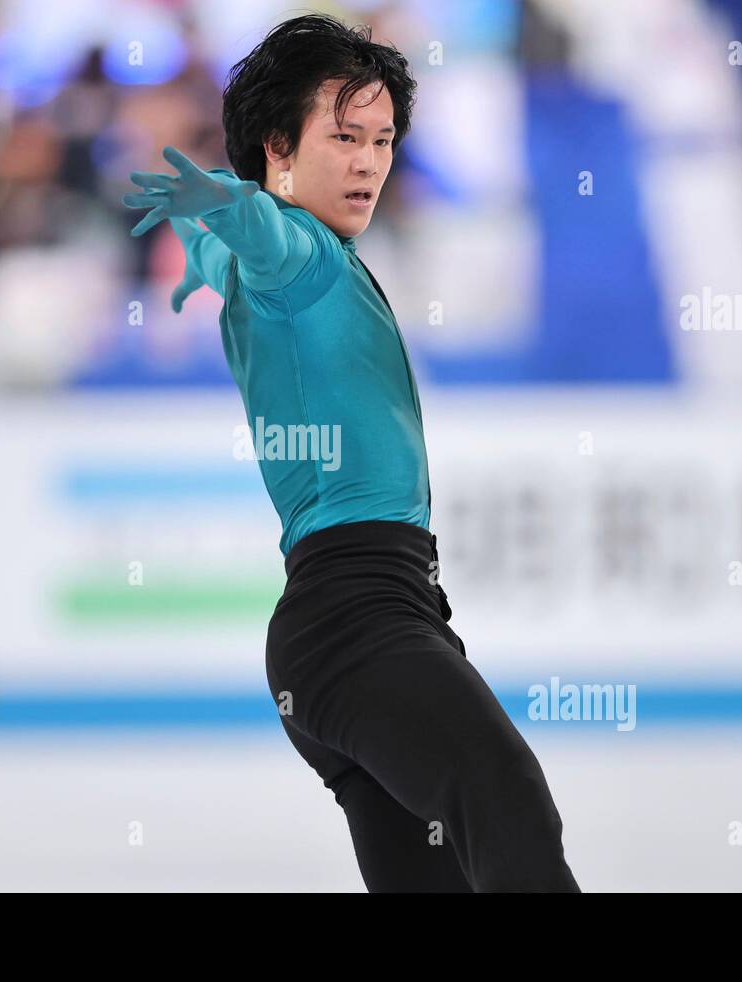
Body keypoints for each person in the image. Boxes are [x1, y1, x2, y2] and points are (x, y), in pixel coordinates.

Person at [124, 13, 579, 892]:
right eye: (344, 138)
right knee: (507, 797)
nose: (370, 161)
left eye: (382, 139)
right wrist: (226, 205)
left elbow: (235, 246)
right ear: (279, 149)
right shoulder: (301, 258)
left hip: (348, 631)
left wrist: (207, 232)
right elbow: (262, 231)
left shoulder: (287, 264)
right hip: (359, 623)